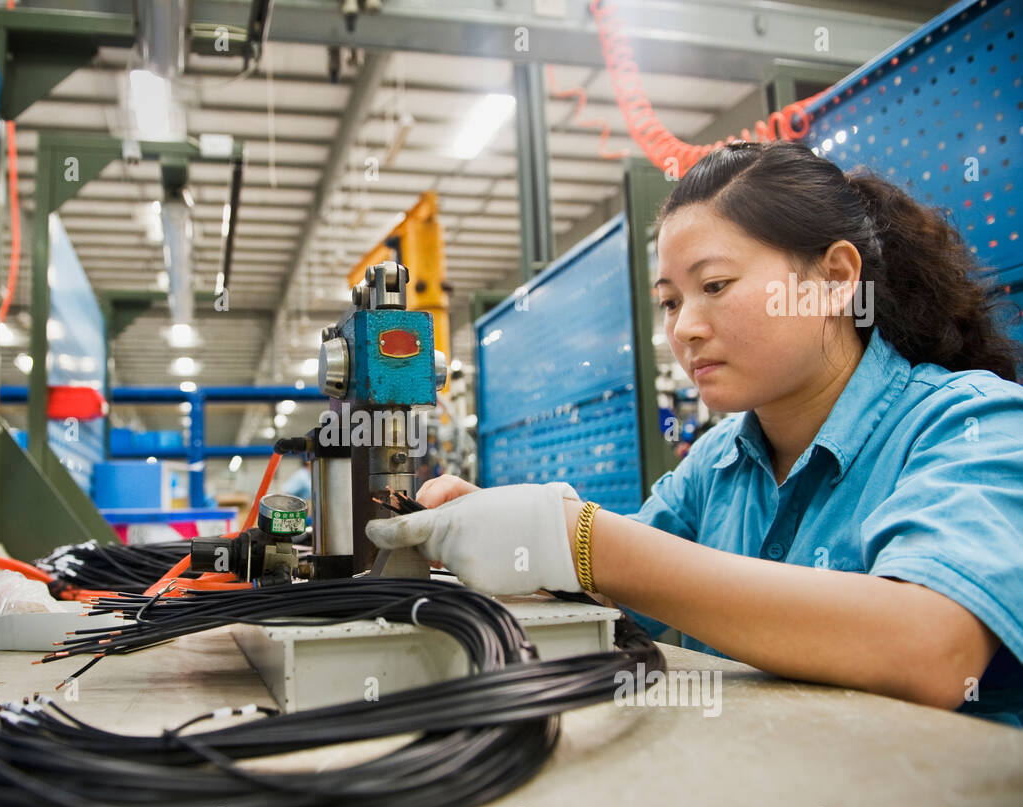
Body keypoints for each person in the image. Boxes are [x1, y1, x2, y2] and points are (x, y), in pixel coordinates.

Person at [366, 141, 1023, 725]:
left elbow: (934, 648)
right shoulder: (718, 461)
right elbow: (620, 595)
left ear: (835, 278)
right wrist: (504, 534)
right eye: (671, 301)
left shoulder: (970, 422)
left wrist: (580, 535)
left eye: (714, 285)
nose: (683, 329)